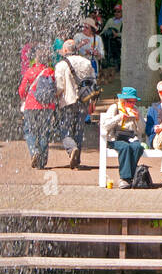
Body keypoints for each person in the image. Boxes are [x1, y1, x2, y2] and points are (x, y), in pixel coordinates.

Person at [54, 39, 94, 169]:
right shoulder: (87, 62)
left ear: (65, 50)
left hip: (68, 100)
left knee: (64, 129)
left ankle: (72, 150)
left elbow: (59, 87)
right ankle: (77, 160)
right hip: (83, 100)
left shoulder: (61, 65)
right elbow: (92, 82)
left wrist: (54, 98)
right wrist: (92, 101)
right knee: (79, 129)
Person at [18, 46, 56, 168]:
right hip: (47, 106)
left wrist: (24, 98)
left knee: (29, 130)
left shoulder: (30, 71)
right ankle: (42, 162)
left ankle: (34, 151)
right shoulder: (50, 71)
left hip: (31, 105)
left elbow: (22, 90)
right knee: (44, 132)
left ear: (36, 60)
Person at [100, 86, 144, 188]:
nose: (132, 104)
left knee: (138, 147)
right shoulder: (114, 108)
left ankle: (130, 177)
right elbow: (105, 125)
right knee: (125, 147)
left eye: (134, 102)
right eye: (129, 102)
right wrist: (119, 117)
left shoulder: (136, 110)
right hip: (115, 138)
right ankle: (125, 178)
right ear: (123, 101)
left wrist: (138, 119)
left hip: (131, 137)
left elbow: (142, 130)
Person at [101, 5, 123, 69]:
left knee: (114, 43)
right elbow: (104, 30)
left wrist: (117, 34)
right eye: (115, 11)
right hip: (108, 37)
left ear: (122, 12)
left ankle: (116, 62)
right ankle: (107, 59)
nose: (116, 13)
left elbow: (125, 34)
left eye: (118, 12)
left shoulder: (124, 21)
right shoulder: (110, 20)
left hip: (118, 39)